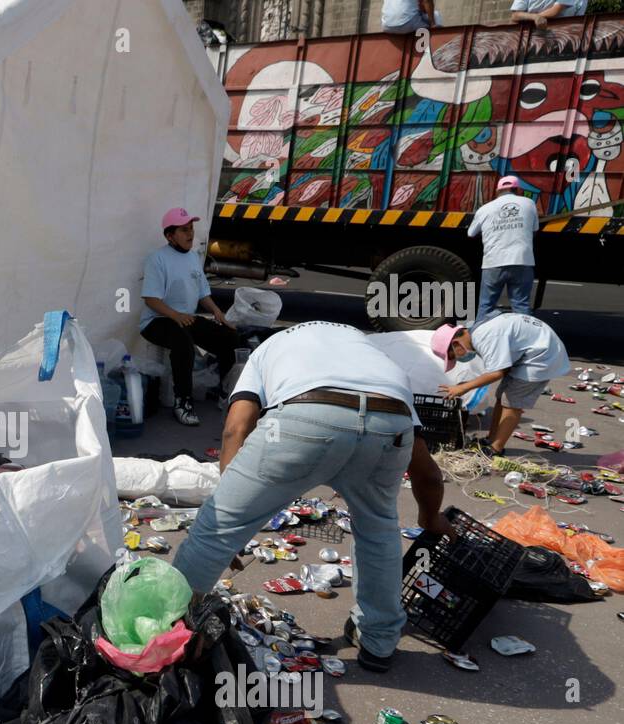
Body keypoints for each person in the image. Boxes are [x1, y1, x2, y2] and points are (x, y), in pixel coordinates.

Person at [170, 321, 451, 673]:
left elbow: (236, 428)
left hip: (305, 418)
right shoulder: (377, 363)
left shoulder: (270, 347)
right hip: (387, 425)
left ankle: (167, 638)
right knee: (378, 530)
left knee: (212, 531)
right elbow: (426, 470)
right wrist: (430, 517)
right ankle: (378, 642)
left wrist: (234, 520)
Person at [140, 207, 239, 427]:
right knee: (183, 342)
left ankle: (225, 391)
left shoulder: (194, 257)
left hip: (185, 319)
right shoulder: (157, 259)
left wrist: (217, 313)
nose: (190, 234)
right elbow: (150, 299)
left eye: (191, 229)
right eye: (184, 230)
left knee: (230, 337)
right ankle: (183, 402)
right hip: (157, 321)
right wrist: (175, 315)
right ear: (170, 236)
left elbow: (203, 292)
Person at [432, 314, 570, 457]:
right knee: (501, 397)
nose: (459, 359)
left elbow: (497, 373)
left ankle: (496, 449)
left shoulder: (484, 337)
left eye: (454, 356)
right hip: (532, 350)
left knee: (512, 403)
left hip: (541, 356)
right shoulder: (477, 332)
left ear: (456, 344)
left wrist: (463, 388)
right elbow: (500, 369)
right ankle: (491, 440)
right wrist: (466, 385)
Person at [468, 176, 538, 321]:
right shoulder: (529, 203)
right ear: (518, 189)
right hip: (522, 261)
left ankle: (477, 338)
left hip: (493, 262)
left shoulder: (484, 209)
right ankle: (523, 340)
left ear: (497, 191)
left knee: (486, 307)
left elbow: (470, 233)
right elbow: (534, 230)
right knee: (521, 306)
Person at [510, 0, 588, 29]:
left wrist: (536, 17)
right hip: (527, 36)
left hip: (558, 33)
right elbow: (515, 15)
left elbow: (555, 11)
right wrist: (534, 17)